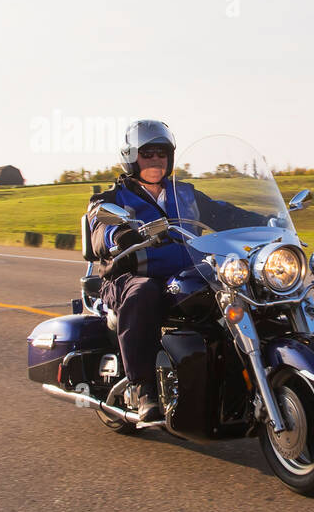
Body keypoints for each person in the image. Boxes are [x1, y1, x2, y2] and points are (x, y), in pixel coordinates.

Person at [86, 120, 269, 422]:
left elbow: (224, 213)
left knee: (240, 285)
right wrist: (117, 236)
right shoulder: (111, 199)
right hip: (127, 277)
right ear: (131, 157)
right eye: (148, 153)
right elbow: (99, 228)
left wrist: (267, 221)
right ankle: (141, 387)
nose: (156, 159)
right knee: (143, 291)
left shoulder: (184, 194)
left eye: (162, 153)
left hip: (185, 274)